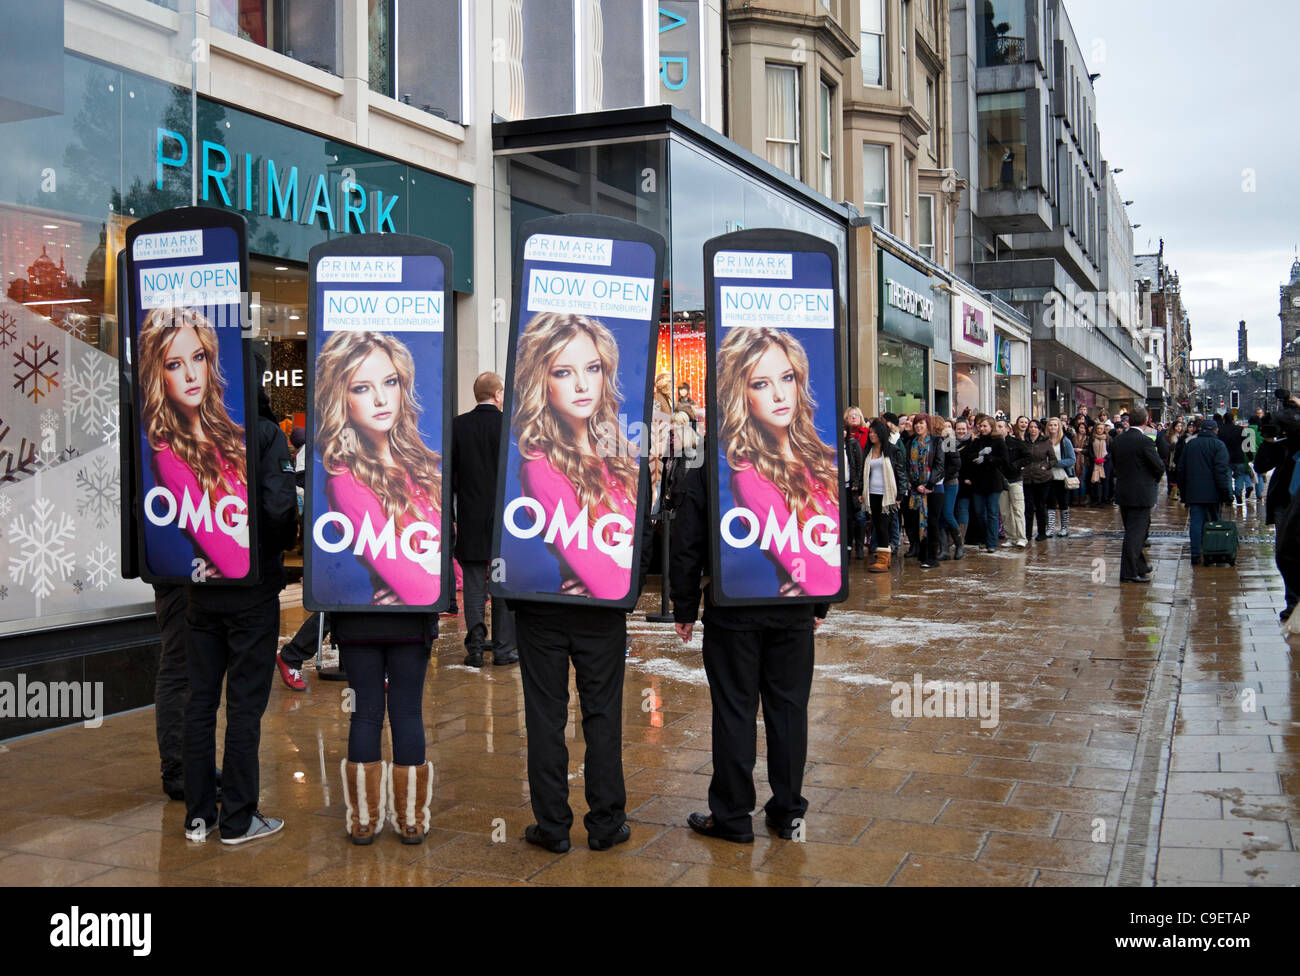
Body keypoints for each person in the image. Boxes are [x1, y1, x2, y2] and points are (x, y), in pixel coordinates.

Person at [671, 461, 829, 844]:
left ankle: (732, 815)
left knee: (734, 711)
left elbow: (686, 542)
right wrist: (820, 603)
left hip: (734, 608)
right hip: (792, 606)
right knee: (789, 711)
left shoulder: (710, 470)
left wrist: (685, 607)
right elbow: (828, 529)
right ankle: (789, 811)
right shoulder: (804, 464)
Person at [183, 371, 297, 845]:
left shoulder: (185, 429)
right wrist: (266, 554)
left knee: (200, 702)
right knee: (245, 706)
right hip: (250, 591)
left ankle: (197, 815)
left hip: (198, 588)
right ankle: (238, 818)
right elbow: (277, 508)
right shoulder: (266, 435)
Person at [512, 312, 639, 600]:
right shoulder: (541, 467)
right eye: (563, 372)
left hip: (611, 621)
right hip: (575, 620)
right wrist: (623, 565)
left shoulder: (616, 452)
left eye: (592, 368)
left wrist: (622, 565)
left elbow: (644, 549)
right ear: (540, 381)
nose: (583, 384)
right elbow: (613, 587)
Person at [315, 331, 443, 606]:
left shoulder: (417, 463)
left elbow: (453, 572)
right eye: (361, 388)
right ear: (341, 398)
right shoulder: (346, 481)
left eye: (390, 382)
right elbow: (422, 592)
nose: (381, 399)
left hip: (420, 626)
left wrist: (439, 577)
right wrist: (436, 579)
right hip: (377, 626)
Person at [716, 326, 840, 597]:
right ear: (742, 395)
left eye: (787, 378)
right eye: (761, 384)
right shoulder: (749, 476)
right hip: (786, 612)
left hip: (807, 610)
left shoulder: (815, 456)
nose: (780, 395)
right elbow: (823, 580)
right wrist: (827, 567)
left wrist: (829, 565)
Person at [138, 307, 250, 579]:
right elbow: (236, 566)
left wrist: (247, 541)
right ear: (158, 376)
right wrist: (246, 542)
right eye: (174, 364)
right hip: (220, 604)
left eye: (197, 357)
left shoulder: (229, 437)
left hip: (255, 597)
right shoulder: (169, 459)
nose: (191, 374)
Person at [453, 371, 517, 667]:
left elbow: (450, 479)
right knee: (502, 586)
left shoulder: (459, 426)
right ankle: (504, 649)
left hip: (470, 517)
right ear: (499, 394)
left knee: (474, 587)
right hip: (506, 521)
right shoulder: (509, 426)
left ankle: (476, 648)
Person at [1111, 406, 1165, 583]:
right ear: (1146, 421)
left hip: (1124, 491)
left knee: (1135, 532)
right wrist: (1153, 479)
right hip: (1141, 493)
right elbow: (1158, 466)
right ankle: (1128, 573)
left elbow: (1115, 466)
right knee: (1135, 535)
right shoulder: (1145, 441)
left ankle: (1140, 566)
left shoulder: (1118, 440)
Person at [1178, 416, 1232, 567]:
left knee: (1195, 523)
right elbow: (1222, 471)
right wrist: (1226, 493)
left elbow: (1181, 469)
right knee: (1214, 522)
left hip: (1194, 492)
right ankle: (1213, 552)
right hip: (1214, 492)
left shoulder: (1191, 444)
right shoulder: (1219, 445)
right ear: (1216, 430)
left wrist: (1183, 491)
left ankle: (1195, 554)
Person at [865, 419, 908, 572]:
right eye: (870, 432)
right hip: (872, 494)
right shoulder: (868, 451)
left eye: (875, 432)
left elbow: (901, 473)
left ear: (882, 433)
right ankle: (884, 558)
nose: (872, 435)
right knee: (876, 525)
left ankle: (883, 560)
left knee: (884, 527)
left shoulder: (893, 450)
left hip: (888, 496)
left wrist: (901, 494)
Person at [905, 415, 946, 568]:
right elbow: (908, 466)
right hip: (917, 490)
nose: (918, 426)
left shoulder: (937, 441)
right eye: (916, 424)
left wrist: (929, 484)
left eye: (921, 423)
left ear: (927, 424)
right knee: (917, 521)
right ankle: (923, 553)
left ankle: (932, 557)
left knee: (932, 522)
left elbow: (940, 465)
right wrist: (916, 485)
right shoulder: (910, 443)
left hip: (934, 488)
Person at [963, 414, 1008, 552]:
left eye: (985, 426)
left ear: (991, 427)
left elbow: (1004, 460)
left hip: (993, 482)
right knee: (979, 512)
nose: (982, 428)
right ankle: (984, 537)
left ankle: (992, 543)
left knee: (993, 512)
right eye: (980, 426)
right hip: (978, 482)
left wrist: (988, 458)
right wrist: (978, 456)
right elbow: (968, 458)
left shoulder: (998, 441)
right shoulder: (976, 442)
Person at [1043, 417, 1076, 537]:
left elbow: (1072, 460)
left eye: (1055, 425)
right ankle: (1050, 528)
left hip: (1062, 476)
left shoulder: (1065, 441)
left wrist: (1056, 463)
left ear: (1059, 427)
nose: (1053, 427)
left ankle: (1064, 528)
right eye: (1050, 425)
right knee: (1050, 503)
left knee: (1063, 502)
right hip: (1048, 476)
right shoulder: (1044, 441)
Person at [998, 418, 1028, 548]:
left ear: (1008, 429)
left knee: (1018, 509)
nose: (998, 429)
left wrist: (1016, 465)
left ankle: (1022, 537)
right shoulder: (995, 444)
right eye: (996, 426)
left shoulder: (1016, 442)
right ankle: (1011, 537)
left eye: (1000, 426)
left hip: (1015, 479)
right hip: (1001, 480)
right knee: (1005, 511)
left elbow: (1028, 457)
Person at [842, 407, 866, 560]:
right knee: (848, 518)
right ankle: (848, 546)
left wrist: (858, 484)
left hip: (856, 485)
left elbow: (859, 465)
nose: (853, 417)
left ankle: (860, 547)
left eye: (856, 415)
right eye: (851, 416)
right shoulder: (838, 444)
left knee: (859, 517)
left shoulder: (855, 442)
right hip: (843, 487)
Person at [938, 418, 963, 560]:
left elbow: (955, 464)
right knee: (940, 515)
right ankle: (944, 549)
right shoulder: (935, 441)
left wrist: (942, 476)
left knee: (947, 513)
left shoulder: (948, 442)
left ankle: (959, 545)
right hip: (939, 483)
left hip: (949, 482)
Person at [1023, 419, 1052, 541]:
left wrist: (1046, 466)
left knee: (1040, 506)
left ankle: (1042, 532)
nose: (1032, 429)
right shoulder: (1024, 442)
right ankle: (1027, 533)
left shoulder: (1046, 442)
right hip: (1027, 478)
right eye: (1031, 427)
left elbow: (1053, 459)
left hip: (1042, 478)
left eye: (1035, 427)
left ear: (1039, 430)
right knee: (1028, 506)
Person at [1218, 415, 1250, 506]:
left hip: (1225, 458)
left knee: (1227, 478)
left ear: (1224, 420)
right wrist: (1250, 456)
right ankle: (1238, 492)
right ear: (1233, 420)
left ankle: (1230, 496)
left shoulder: (1220, 430)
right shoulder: (1240, 429)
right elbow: (1246, 444)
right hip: (1239, 457)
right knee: (1240, 476)